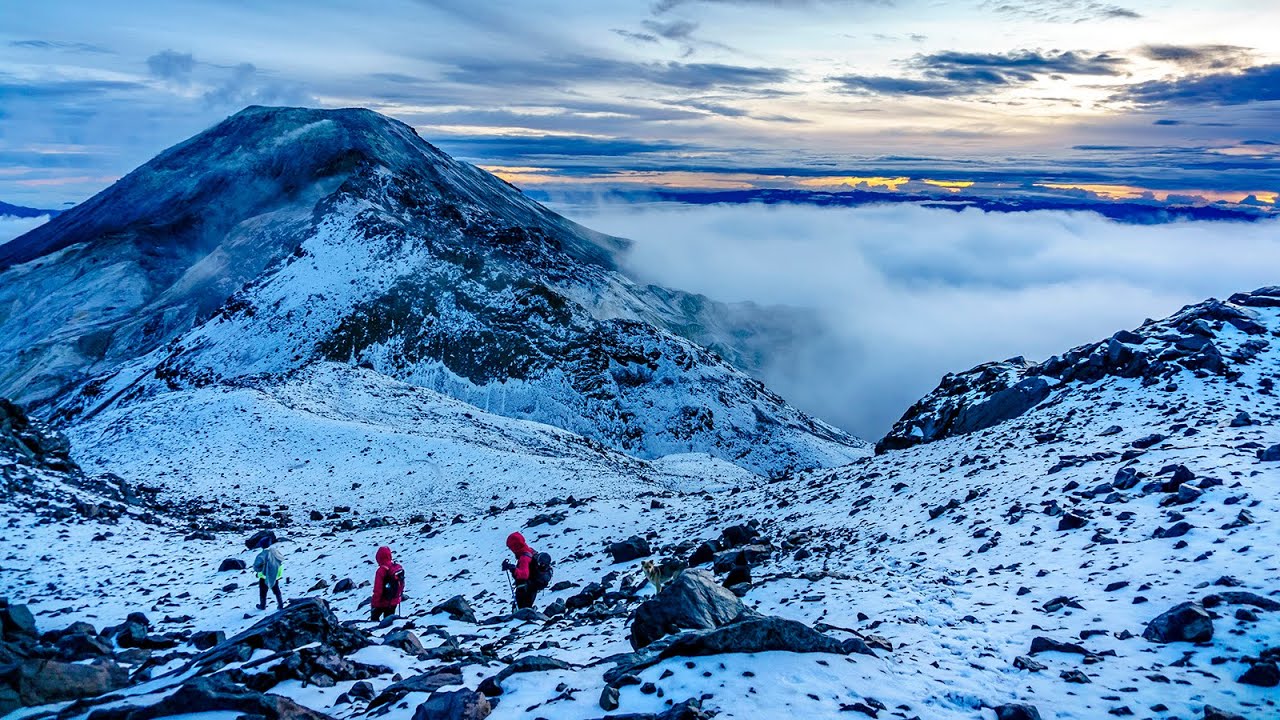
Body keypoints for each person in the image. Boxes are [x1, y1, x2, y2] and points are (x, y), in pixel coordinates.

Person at [503, 532, 539, 609]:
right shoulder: (530, 552)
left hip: (525, 589)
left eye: (511, 547)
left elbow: (524, 575)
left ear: (515, 546)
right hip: (531, 587)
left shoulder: (524, 558)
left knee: (521, 610)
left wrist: (512, 569)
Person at [371, 545, 404, 621]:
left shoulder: (381, 570)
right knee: (389, 623)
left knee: (374, 622)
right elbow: (401, 585)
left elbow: (378, 590)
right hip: (394, 601)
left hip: (382, 602)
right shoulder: (397, 567)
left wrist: (374, 603)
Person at [252, 535, 285, 611]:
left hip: (264, 576)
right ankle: (281, 604)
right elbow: (282, 559)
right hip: (276, 574)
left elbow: (256, 566)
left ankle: (262, 605)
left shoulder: (261, 555)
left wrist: (258, 571)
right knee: (276, 589)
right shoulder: (275, 551)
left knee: (263, 591)